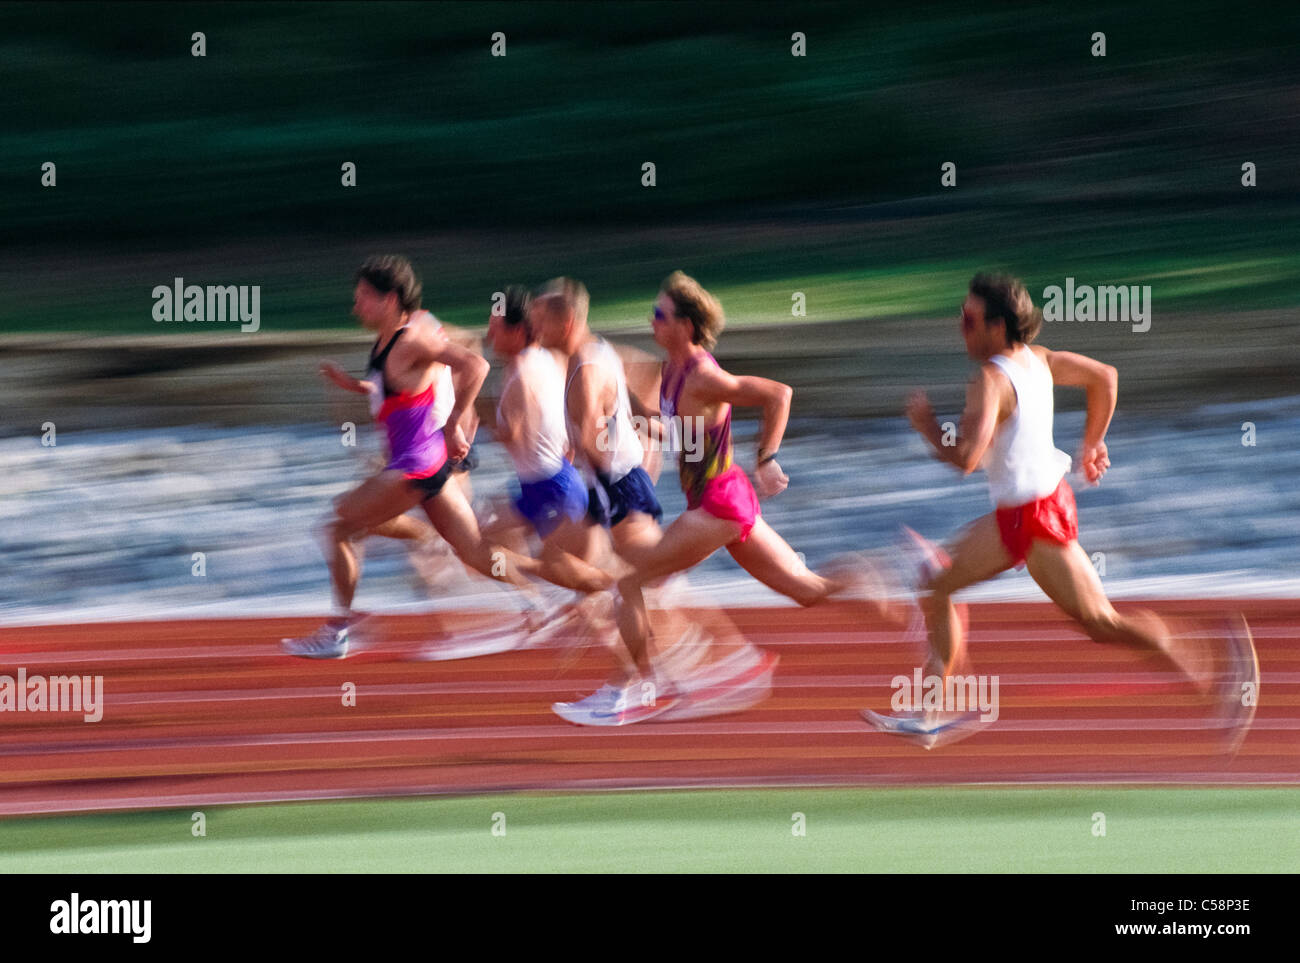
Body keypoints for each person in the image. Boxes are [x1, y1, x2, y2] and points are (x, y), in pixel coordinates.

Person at [863, 272, 1259, 749]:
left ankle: (1217, 668)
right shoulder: (1039, 360)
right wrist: (1093, 443)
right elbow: (1104, 378)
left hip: (1035, 523)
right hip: (1020, 513)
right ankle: (931, 712)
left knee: (1101, 623)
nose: (960, 328)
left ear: (997, 326)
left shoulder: (989, 380)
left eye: (968, 320)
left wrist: (927, 427)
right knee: (938, 583)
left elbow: (967, 458)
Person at [596, 271, 891, 718]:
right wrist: (627, 413)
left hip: (719, 504)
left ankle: (640, 686)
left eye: (661, 314)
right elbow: (681, 432)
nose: (652, 320)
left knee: (631, 581)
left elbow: (779, 394)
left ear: (686, 326)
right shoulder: (673, 371)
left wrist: (767, 458)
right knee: (808, 592)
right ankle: (889, 588)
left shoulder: (701, 375)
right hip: (724, 503)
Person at [533, 278, 774, 725]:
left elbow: (589, 436)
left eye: (540, 322)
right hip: (622, 483)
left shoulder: (586, 366)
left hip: (614, 488)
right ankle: (705, 662)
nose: (534, 331)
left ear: (565, 322)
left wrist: (585, 476)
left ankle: (644, 682)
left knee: (633, 581)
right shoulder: (601, 352)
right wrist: (652, 435)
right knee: (642, 581)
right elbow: (630, 409)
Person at [283, 255, 541, 658]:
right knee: (472, 551)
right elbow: (395, 392)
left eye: (363, 298)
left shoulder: (412, 339)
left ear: (390, 300)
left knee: (337, 527)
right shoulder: (386, 344)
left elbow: (475, 364)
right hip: (427, 467)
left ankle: (341, 631)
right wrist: (350, 385)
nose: (355, 306)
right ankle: (537, 600)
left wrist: (455, 421)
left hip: (414, 467)